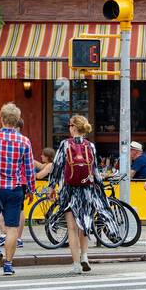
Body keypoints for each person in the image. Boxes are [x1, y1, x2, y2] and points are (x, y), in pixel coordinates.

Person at [0, 103, 36, 275]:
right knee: (12, 227)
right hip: (15, 189)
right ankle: (9, 264)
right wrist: (31, 189)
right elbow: (29, 169)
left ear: (2, 118)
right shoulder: (24, 141)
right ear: (17, 120)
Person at [54, 115, 111, 274]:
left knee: (71, 228)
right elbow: (95, 171)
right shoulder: (90, 146)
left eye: (69, 126)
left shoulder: (65, 145)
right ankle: (85, 256)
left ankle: (76, 264)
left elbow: (57, 166)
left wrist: (52, 186)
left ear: (73, 127)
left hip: (69, 190)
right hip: (86, 190)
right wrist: (99, 189)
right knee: (84, 225)